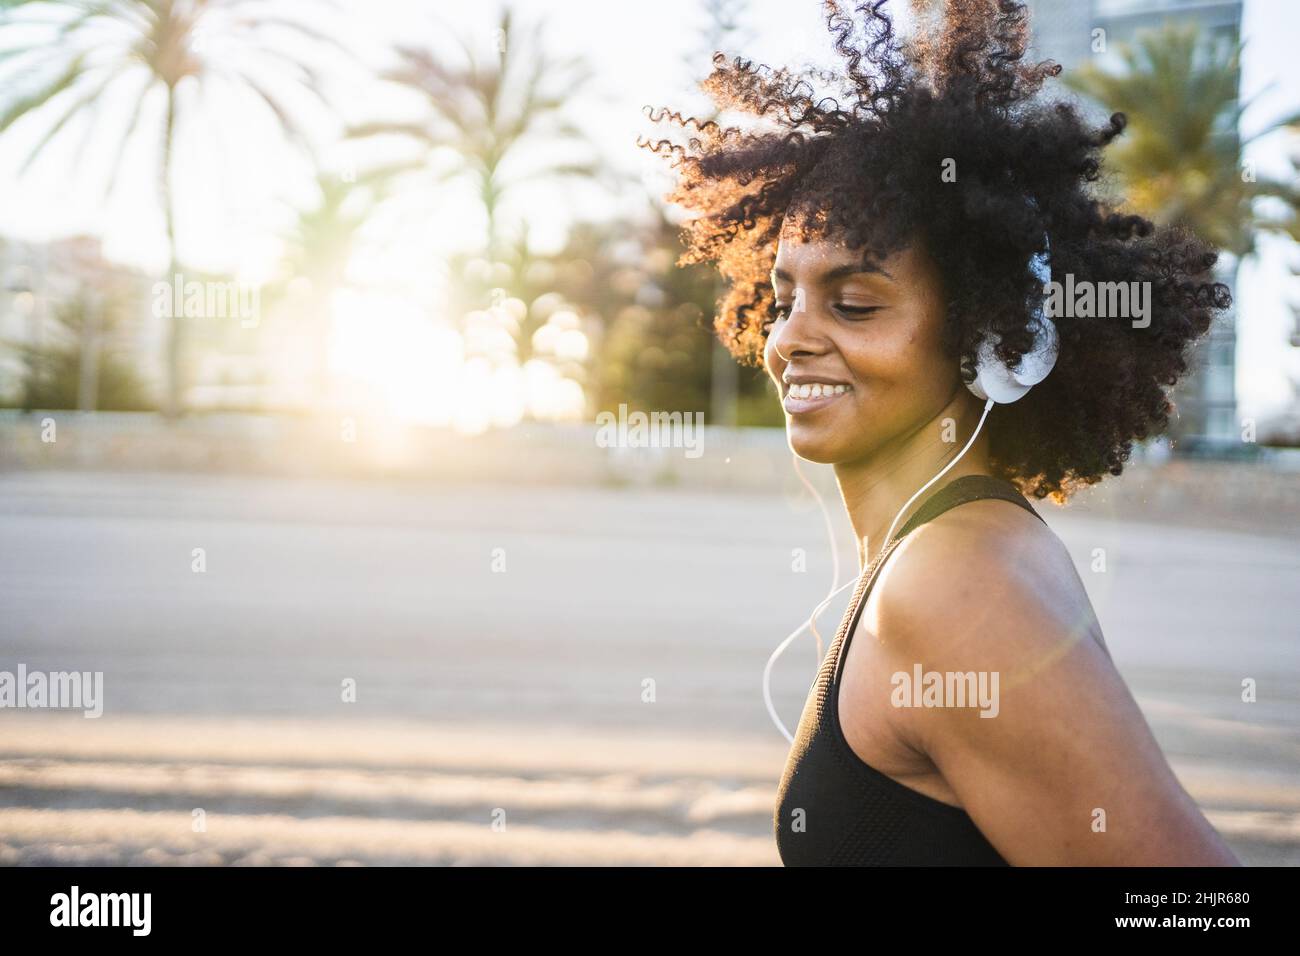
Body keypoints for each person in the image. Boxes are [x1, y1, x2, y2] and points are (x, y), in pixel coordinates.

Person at [642, 0, 1241, 865]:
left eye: (855, 304)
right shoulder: (958, 548)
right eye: (782, 300)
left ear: (994, 339)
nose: (791, 337)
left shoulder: (954, 587)